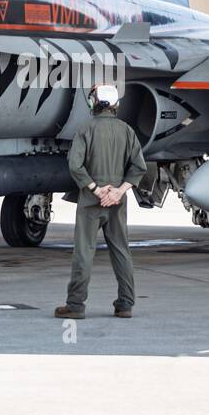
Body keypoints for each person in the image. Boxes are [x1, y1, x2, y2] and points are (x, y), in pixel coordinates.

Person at [56, 83, 147, 320]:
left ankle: (76, 305)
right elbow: (139, 167)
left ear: (92, 103)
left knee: (84, 252)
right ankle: (125, 304)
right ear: (116, 105)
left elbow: (75, 165)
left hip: (90, 202)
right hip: (117, 201)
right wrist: (118, 191)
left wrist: (96, 189)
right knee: (121, 251)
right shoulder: (127, 131)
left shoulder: (85, 130)